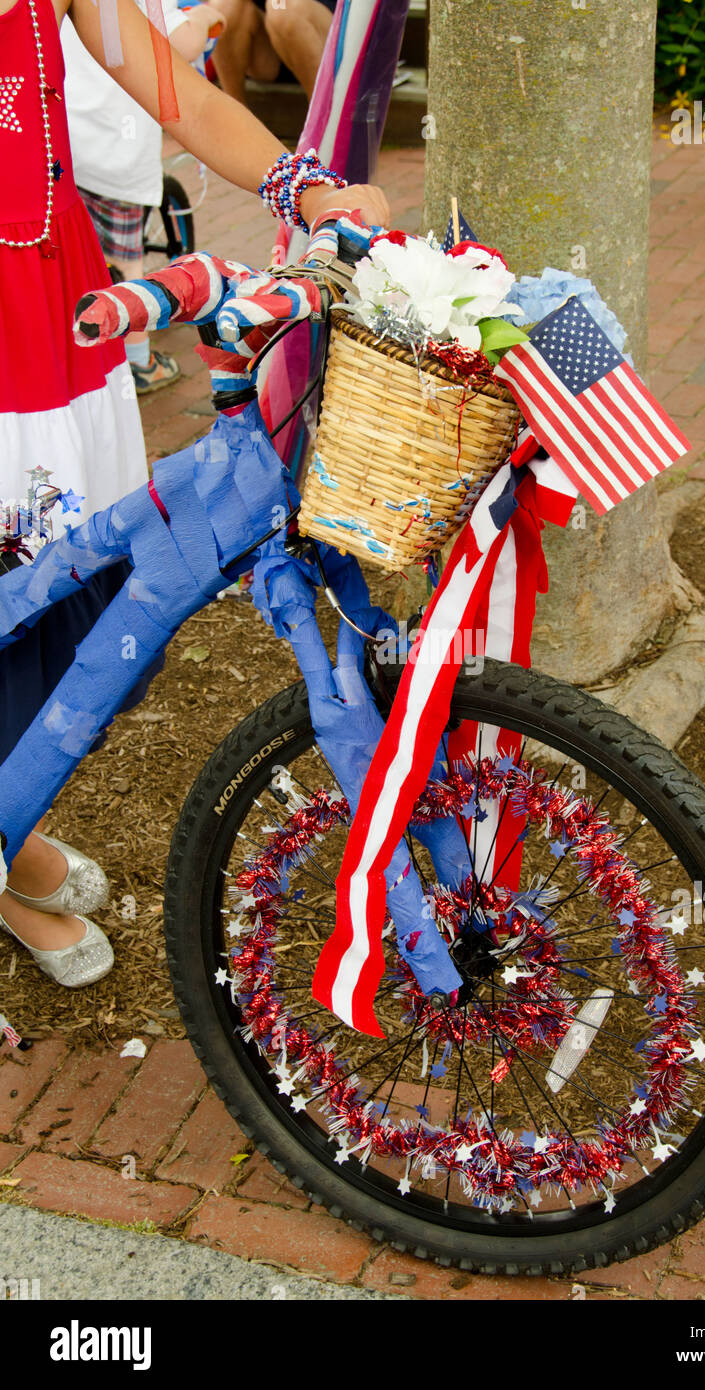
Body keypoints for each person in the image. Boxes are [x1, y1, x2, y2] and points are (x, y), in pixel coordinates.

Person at [0, 0, 388, 988]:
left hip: (59, 316)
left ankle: (10, 824)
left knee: (65, 614)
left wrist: (304, 189)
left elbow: (176, 95)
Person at [62, 0, 228, 394]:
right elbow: (182, 41)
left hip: (66, 142)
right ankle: (138, 362)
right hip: (116, 151)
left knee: (71, 250)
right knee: (125, 259)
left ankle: (71, 343)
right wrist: (207, 16)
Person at [212, 0, 336, 105]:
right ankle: (234, 115)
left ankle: (322, 121)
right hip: (269, 53)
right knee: (224, 6)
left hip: (325, 38)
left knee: (282, 9)